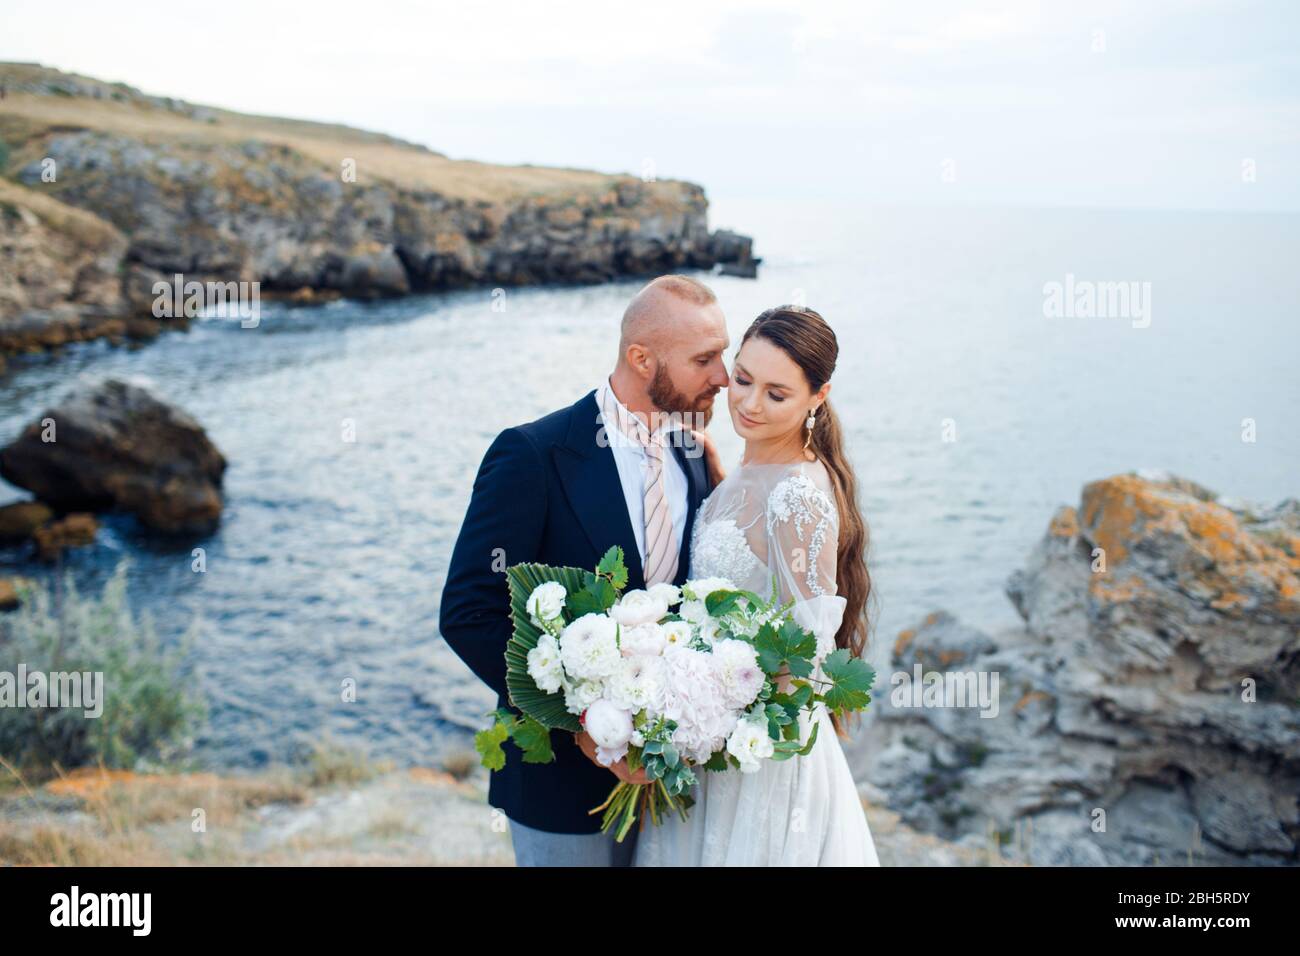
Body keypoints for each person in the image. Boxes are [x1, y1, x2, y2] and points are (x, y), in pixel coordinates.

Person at [439, 274, 729, 865]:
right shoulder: (533, 455)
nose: (723, 376)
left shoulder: (692, 455)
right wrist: (583, 722)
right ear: (641, 358)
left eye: (723, 354)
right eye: (705, 358)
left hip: (672, 789)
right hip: (560, 789)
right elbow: (469, 612)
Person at [633, 305, 882, 866]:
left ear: (817, 397)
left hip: (758, 760)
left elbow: (807, 659)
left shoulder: (797, 496)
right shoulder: (741, 473)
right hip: (711, 742)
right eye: (743, 380)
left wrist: (711, 711)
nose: (748, 403)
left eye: (777, 394)